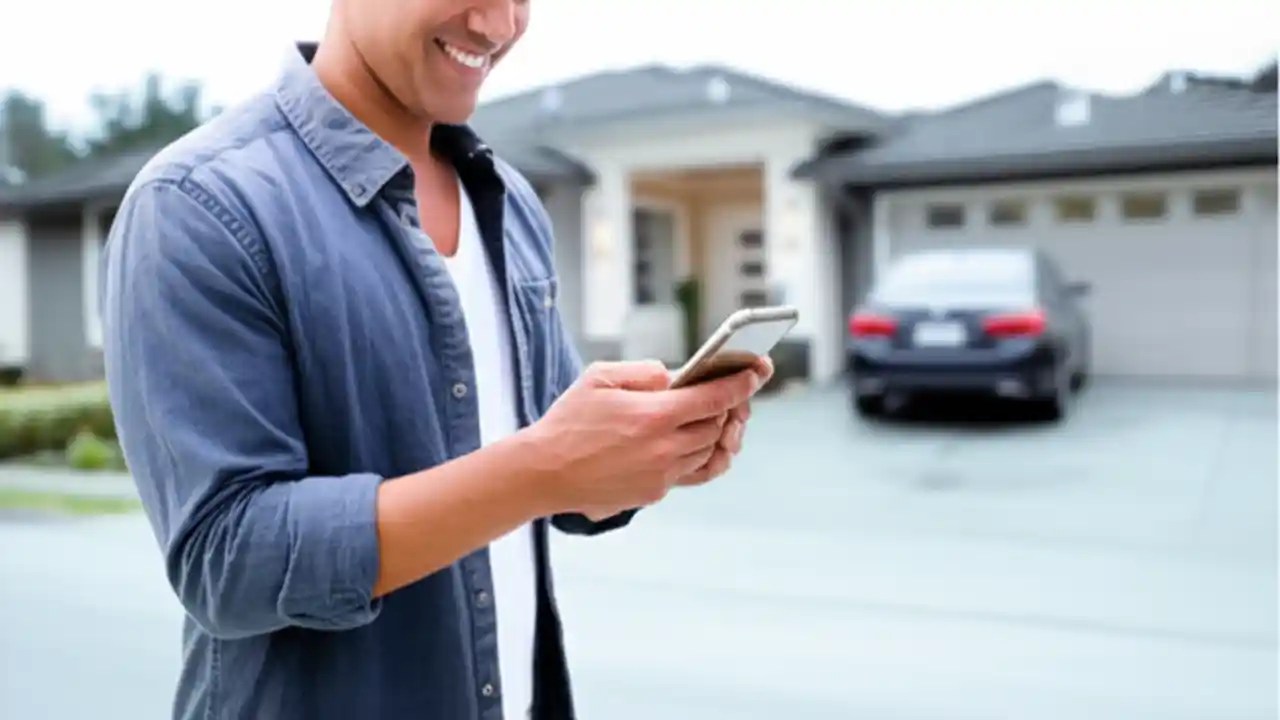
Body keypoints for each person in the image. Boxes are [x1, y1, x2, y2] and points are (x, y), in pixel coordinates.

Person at [100, 1, 772, 719]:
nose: (499, 23)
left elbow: (550, 474)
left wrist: (638, 453)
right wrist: (544, 469)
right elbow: (229, 560)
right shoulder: (201, 205)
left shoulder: (509, 203)